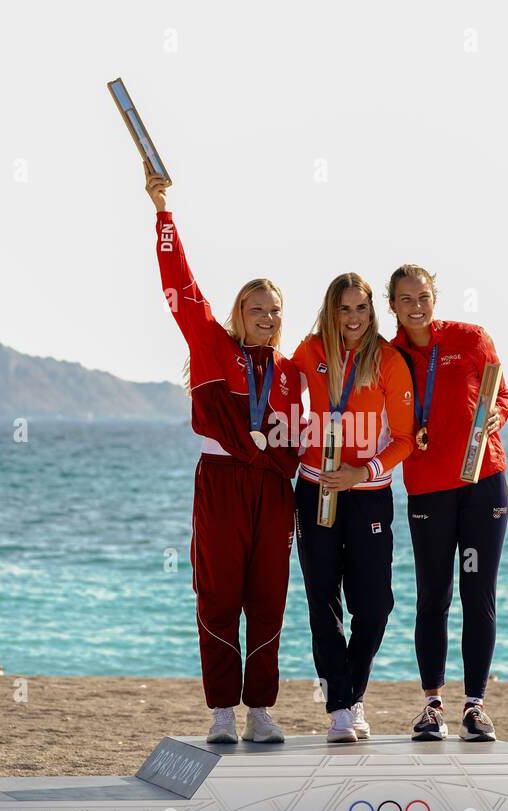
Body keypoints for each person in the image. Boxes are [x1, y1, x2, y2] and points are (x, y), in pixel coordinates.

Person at [146, 168, 302, 744]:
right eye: (256, 309)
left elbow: (304, 435)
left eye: (275, 311)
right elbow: (178, 285)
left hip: (273, 490)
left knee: (268, 597)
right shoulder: (211, 345)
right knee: (217, 595)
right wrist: (163, 211)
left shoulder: (290, 373)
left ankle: (260, 709)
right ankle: (220, 713)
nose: (266, 317)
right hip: (221, 482)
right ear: (238, 313)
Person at [388, 264, 508, 742]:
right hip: (427, 489)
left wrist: (495, 418)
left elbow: (500, 394)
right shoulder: (389, 354)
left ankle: (475, 706)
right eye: (406, 299)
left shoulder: (472, 338)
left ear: (434, 297)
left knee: (478, 594)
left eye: (423, 297)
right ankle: (432, 706)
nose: (416, 307)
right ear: (392, 305)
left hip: (483, 484)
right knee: (433, 597)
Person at [292, 274, 415, 743]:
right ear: (331, 311)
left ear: (372, 310)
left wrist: (361, 473)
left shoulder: (387, 360)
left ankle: (352, 693)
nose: (354, 318)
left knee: (376, 605)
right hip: (315, 488)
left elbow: (403, 439)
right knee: (323, 601)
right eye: (345, 309)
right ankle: (341, 709)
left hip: (368, 493)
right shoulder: (310, 351)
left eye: (361, 308)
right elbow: (276, 383)